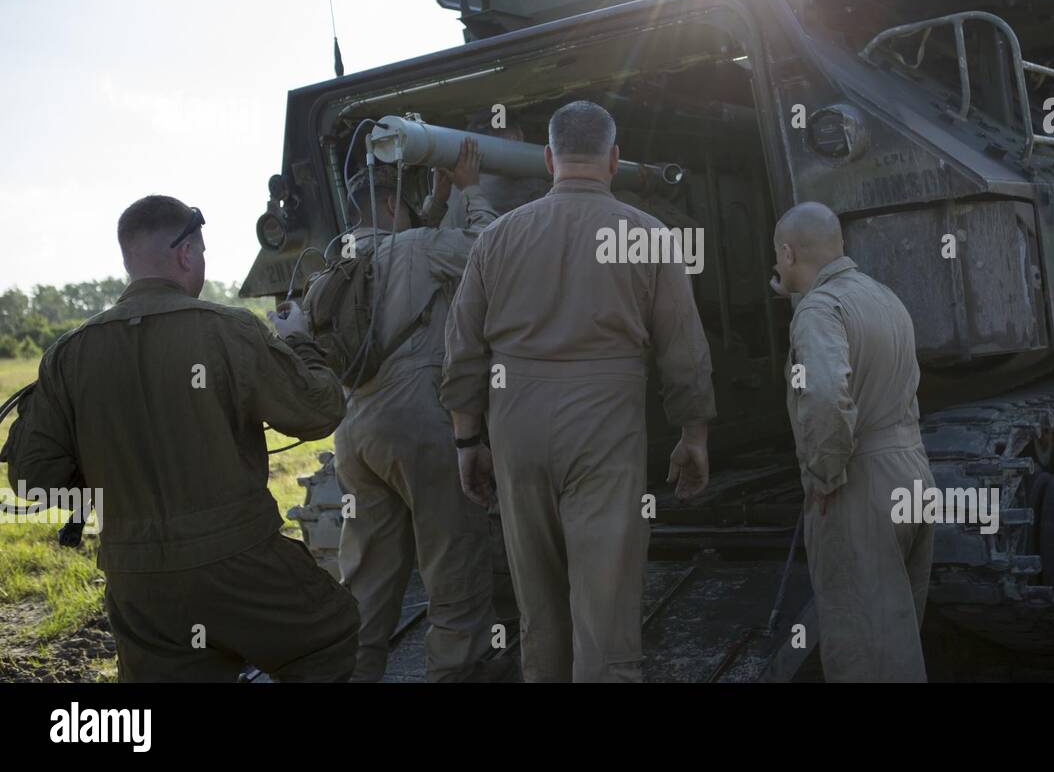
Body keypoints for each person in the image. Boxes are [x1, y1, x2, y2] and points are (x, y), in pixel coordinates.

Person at [2, 195, 358, 681]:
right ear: (187, 253)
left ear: (128, 259)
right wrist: (298, 339)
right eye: (203, 252)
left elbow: (33, 481)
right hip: (241, 565)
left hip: (138, 582)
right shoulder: (228, 330)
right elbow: (318, 412)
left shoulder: (69, 353)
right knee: (330, 633)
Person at [442, 99, 716, 682]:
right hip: (604, 430)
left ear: (547, 159)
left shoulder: (497, 238)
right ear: (615, 159)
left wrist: (468, 442)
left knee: (538, 605)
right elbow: (683, 351)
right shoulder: (648, 237)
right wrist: (693, 435)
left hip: (516, 428)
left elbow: (463, 348)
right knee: (606, 603)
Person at [325, 141, 503, 682]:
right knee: (452, 557)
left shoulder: (335, 264)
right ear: (386, 206)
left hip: (355, 434)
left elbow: (400, 251)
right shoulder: (417, 248)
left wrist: (433, 203)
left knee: (369, 574)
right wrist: (471, 191)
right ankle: (457, 670)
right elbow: (492, 249)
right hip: (417, 422)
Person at [771, 201, 935, 682]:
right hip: (911, 472)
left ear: (786, 251)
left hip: (859, 484)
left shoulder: (820, 310)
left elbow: (825, 395)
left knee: (865, 654)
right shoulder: (882, 295)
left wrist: (825, 473)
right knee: (897, 643)